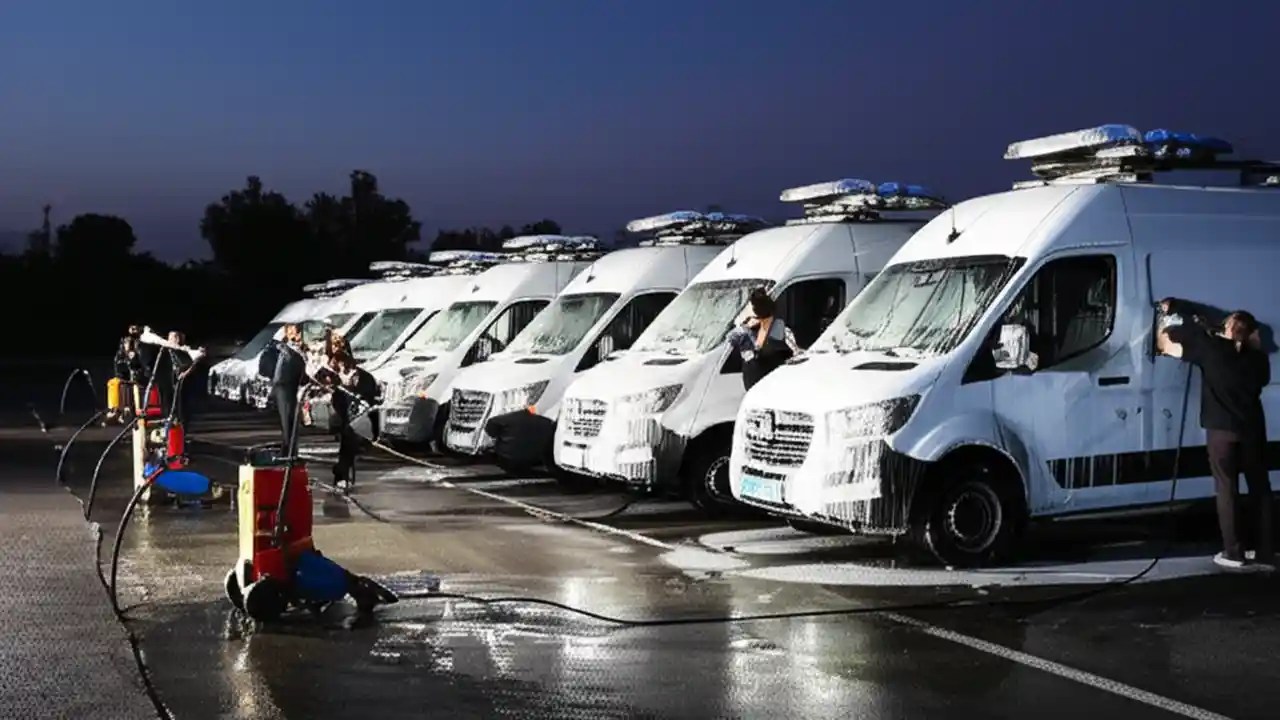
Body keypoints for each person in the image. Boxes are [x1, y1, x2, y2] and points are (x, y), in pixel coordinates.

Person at [1158, 297, 1273, 572]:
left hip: (1221, 431)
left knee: (1226, 489)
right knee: (1260, 489)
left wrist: (1171, 316)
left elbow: (1167, 340)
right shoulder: (1259, 361)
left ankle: (1234, 552)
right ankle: (1267, 551)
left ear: (1228, 329)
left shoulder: (1210, 350)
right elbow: (1251, 360)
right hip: (1252, 430)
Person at [727, 288, 803, 390]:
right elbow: (731, 340)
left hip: (770, 386)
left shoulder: (778, 328)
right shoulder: (747, 331)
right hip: (754, 387)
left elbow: (795, 354)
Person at [329, 350, 378, 489]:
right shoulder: (340, 383)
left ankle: (340, 472)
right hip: (348, 420)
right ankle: (341, 474)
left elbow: (368, 400)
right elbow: (338, 404)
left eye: (341, 368)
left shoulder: (365, 378)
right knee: (347, 439)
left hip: (363, 420)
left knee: (349, 438)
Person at [271, 324, 308, 458]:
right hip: (284, 386)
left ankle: (290, 451)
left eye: (296, 330)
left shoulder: (295, 349)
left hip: (291, 385)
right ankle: (288, 451)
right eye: (291, 329)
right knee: (287, 420)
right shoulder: (285, 348)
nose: (295, 332)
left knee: (291, 421)